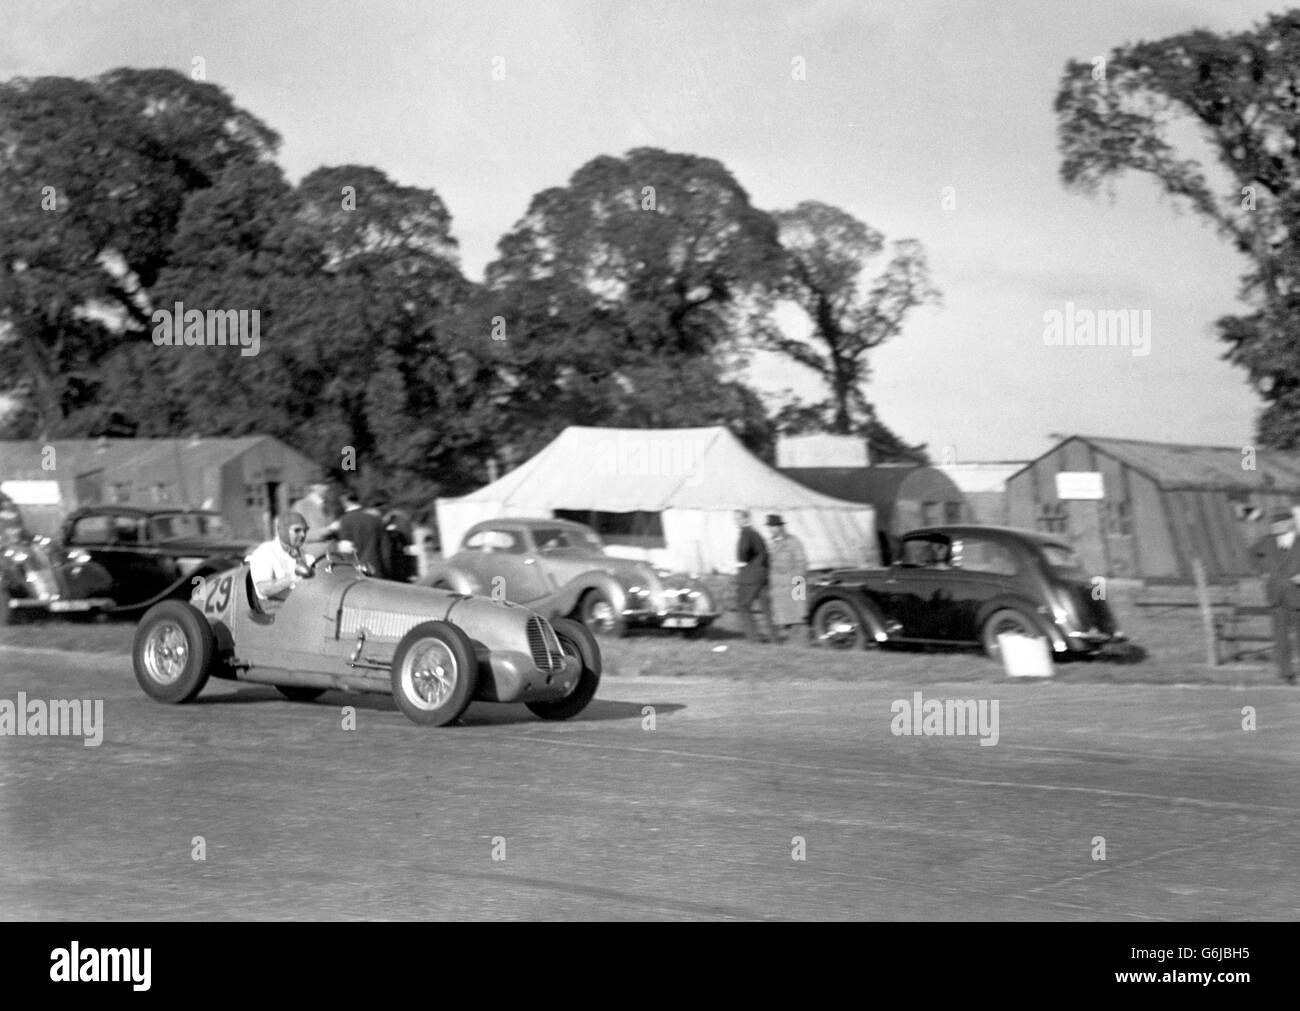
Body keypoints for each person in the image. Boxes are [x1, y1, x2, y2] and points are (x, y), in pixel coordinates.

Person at [1250, 508, 1300, 684]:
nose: (1275, 527)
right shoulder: (1267, 542)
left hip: (1297, 597)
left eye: (1279, 523)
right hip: (1276, 596)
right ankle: (1287, 673)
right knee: (1281, 637)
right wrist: (1262, 572)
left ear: (1290, 523)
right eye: (1274, 524)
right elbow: (1251, 554)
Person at [248, 511, 313, 607]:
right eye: (297, 530)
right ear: (283, 530)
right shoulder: (265, 552)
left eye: (305, 530)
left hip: (302, 608)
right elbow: (263, 589)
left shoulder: (307, 557)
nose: (303, 535)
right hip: (273, 610)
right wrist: (292, 578)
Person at [734, 509, 779, 643]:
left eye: (738, 519)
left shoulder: (746, 533)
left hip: (751, 576)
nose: (736, 522)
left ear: (745, 519)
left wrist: (742, 562)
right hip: (763, 575)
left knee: (743, 606)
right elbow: (765, 554)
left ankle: (754, 639)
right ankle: (775, 639)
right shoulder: (757, 534)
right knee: (766, 609)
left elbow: (744, 549)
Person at [765, 514, 808, 641]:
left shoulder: (793, 542)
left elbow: (801, 562)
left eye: (774, 526)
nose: (772, 529)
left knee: (799, 615)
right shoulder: (770, 544)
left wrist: (797, 582)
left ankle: (802, 643)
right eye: (770, 527)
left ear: (780, 527)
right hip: (778, 586)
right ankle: (792, 642)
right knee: (784, 616)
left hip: (794, 583)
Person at [331, 490, 388, 578]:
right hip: (378, 570)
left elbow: (346, 551)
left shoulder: (345, 520)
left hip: (358, 573)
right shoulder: (375, 518)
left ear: (344, 501)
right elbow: (385, 549)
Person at [291, 477, 339, 559]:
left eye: (328, 484)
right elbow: (300, 535)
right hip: (313, 558)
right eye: (324, 484)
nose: (327, 487)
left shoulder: (330, 505)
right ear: (314, 486)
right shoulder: (301, 506)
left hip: (334, 556)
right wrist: (329, 529)